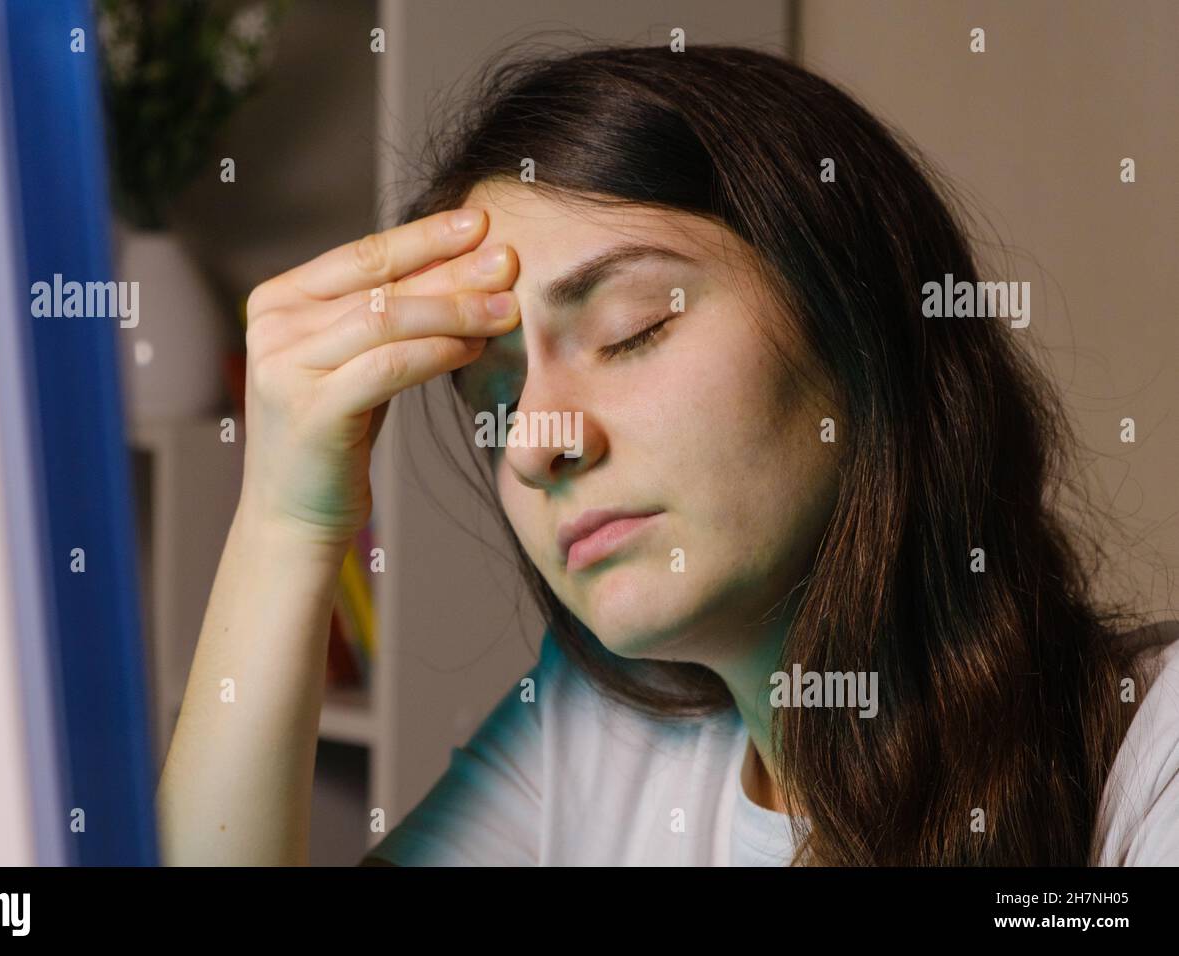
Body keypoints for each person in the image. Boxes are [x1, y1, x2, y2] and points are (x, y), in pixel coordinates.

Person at [156, 44, 1179, 866]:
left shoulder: (1155, 759)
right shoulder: (592, 734)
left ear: (859, 323)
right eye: (496, 399)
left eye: (632, 328)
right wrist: (285, 523)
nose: (538, 442)